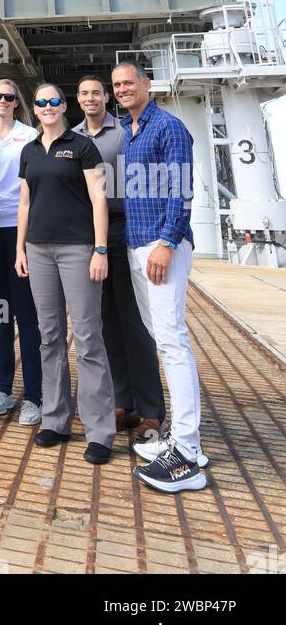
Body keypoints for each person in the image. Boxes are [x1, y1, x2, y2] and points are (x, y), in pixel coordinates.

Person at [111, 62, 209, 494]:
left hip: (160, 244)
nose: (122, 89)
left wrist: (168, 242)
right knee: (160, 336)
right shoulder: (129, 131)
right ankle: (181, 440)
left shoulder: (168, 127)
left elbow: (181, 188)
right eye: (117, 85)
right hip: (137, 244)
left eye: (128, 82)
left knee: (172, 340)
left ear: (146, 84)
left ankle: (186, 450)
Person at [16, 83, 115, 464]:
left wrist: (100, 249)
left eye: (54, 100)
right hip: (38, 250)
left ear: (63, 105)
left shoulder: (83, 146)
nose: (48, 106)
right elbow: (25, 203)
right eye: (41, 102)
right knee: (50, 337)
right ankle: (56, 420)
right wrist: (20, 248)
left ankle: (100, 431)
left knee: (88, 337)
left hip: (78, 249)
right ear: (35, 109)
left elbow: (98, 199)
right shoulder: (29, 151)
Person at [73, 75, 165, 436]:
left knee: (135, 320)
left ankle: (151, 409)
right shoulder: (72, 138)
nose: (91, 98)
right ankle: (122, 402)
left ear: (105, 97)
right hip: (90, 235)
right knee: (106, 321)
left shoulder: (125, 132)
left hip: (126, 227)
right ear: (77, 99)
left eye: (97, 92)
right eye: (84, 93)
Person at [0, 79, 41, 425]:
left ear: (17, 102)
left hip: (21, 233)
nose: (2, 101)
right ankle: (3, 388)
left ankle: (33, 395)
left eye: (9, 96)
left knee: (26, 314)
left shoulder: (29, 136)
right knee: (1, 311)